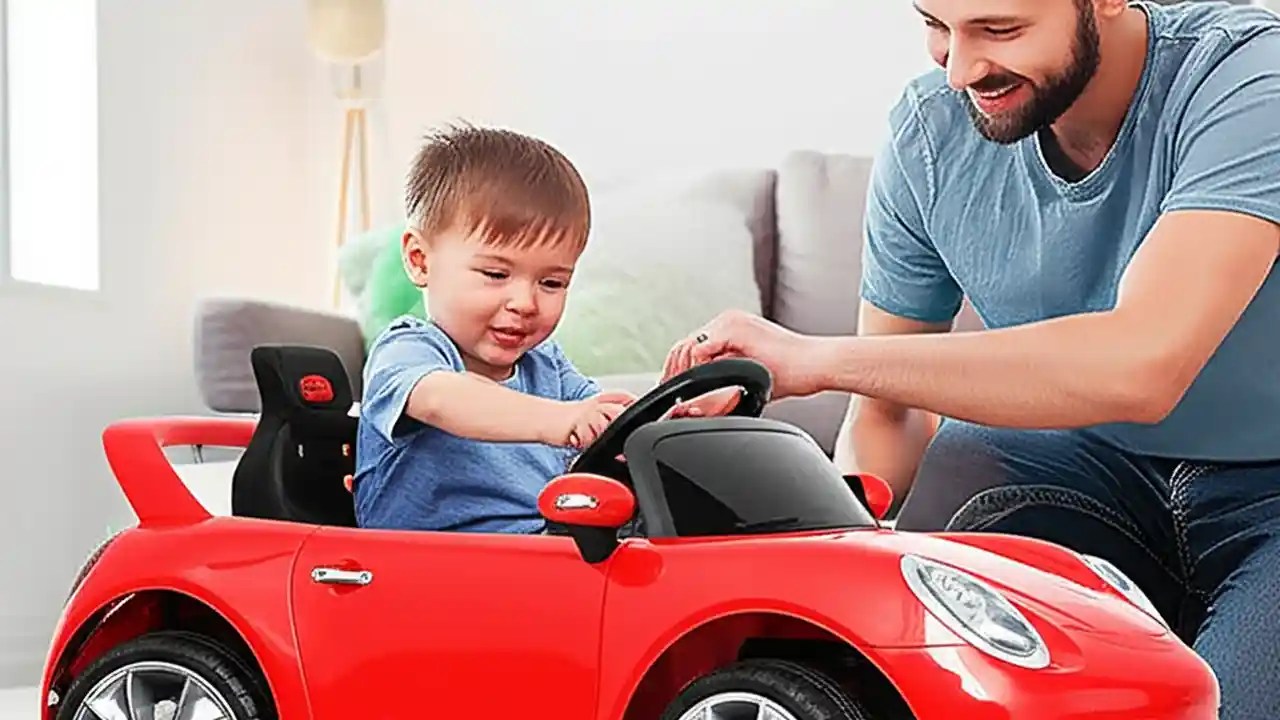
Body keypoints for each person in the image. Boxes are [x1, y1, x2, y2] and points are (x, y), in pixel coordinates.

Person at [663, 1, 1280, 716]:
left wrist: (817, 359)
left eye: (999, 30)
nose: (959, 71)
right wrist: (817, 607)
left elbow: (1143, 364)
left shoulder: (1247, 78)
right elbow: (887, 413)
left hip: (1267, 485)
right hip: (1095, 471)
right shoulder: (932, 131)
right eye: (935, 25)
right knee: (967, 466)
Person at [352, 123, 737, 535]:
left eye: (552, 283)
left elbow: (608, 421)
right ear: (420, 260)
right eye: (496, 273)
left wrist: (674, 414)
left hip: (544, 549)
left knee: (700, 520)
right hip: (433, 565)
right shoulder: (411, 349)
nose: (526, 303)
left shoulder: (546, 367)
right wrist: (560, 420)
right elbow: (441, 399)